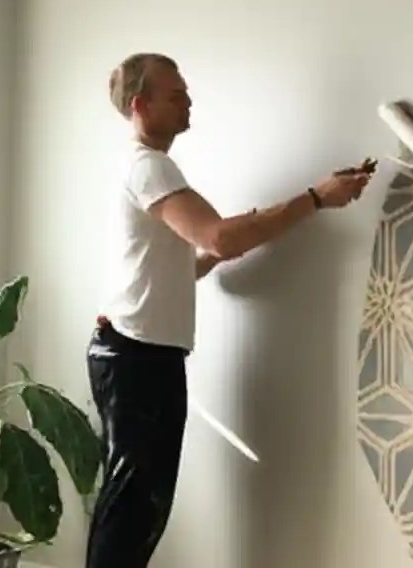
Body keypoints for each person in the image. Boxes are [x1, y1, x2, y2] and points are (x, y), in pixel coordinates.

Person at [85, 52, 374, 567]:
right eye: (176, 94)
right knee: (133, 511)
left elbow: (190, 258)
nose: (188, 100)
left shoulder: (143, 167)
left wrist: (228, 245)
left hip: (135, 352)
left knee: (135, 508)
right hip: (137, 357)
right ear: (140, 105)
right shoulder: (149, 165)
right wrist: (315, 199)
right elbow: (219, 236)